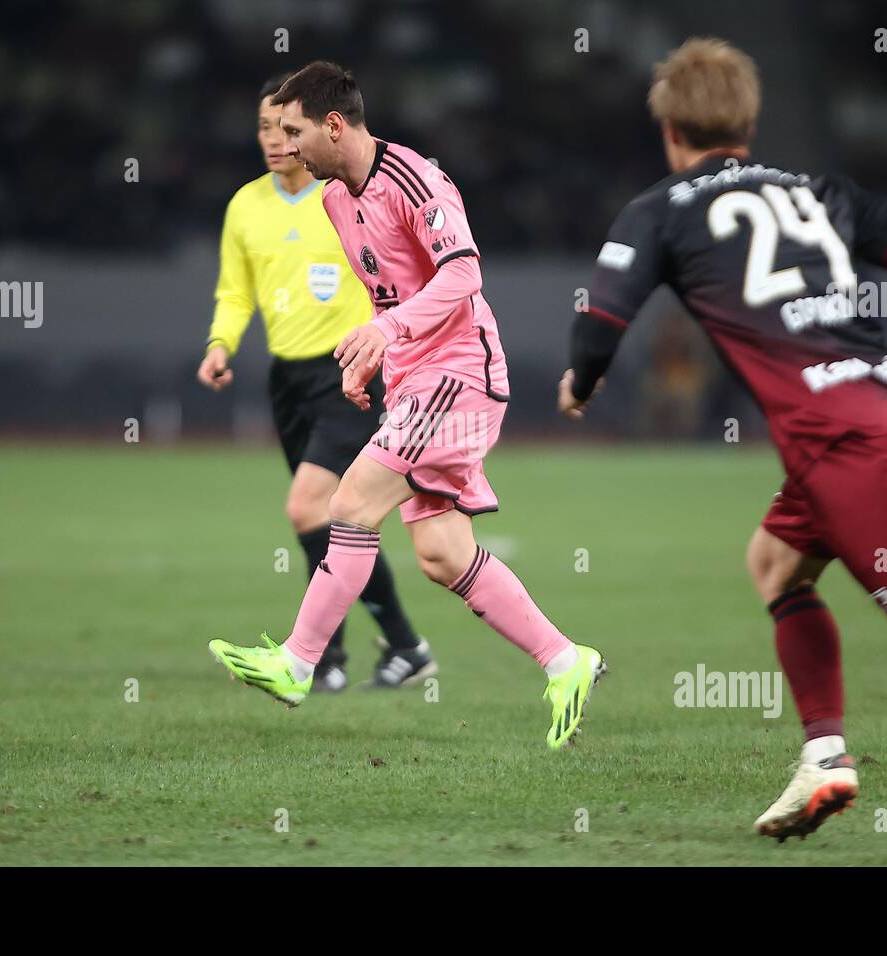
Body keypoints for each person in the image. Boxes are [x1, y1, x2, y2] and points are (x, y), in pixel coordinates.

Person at [561, 38, 887, 838]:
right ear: (749, 119)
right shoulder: (817, 190)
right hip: (881, 413)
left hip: (840, 443)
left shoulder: (659, 210)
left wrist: (582, 382)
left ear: (670, 130)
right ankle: (825, 756)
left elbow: (600, 323)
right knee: (775, 564)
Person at [209, 61, 606, 749]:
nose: (290, 146)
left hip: (460, 376)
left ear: (335, 125)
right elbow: (385, 292)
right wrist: (375, 358)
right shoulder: (337, 199)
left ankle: (299, 664)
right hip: (416, 379)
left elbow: (464, 270)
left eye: (297, 131)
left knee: (351, 503)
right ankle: (567, 661)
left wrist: (386, 333)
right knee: (443, 555)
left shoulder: (416, 178)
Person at [198, 74, 435, 691]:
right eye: (263, 128)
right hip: (289, 382)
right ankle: (403, 646)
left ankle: (319, 659)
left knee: (310, 506)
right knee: (330, 519)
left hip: (349, 374)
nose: (275, 140)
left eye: (285, 127)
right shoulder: (246, 206)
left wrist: (393, 342)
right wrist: (220, 343)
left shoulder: (344, 197)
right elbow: (234, 290)